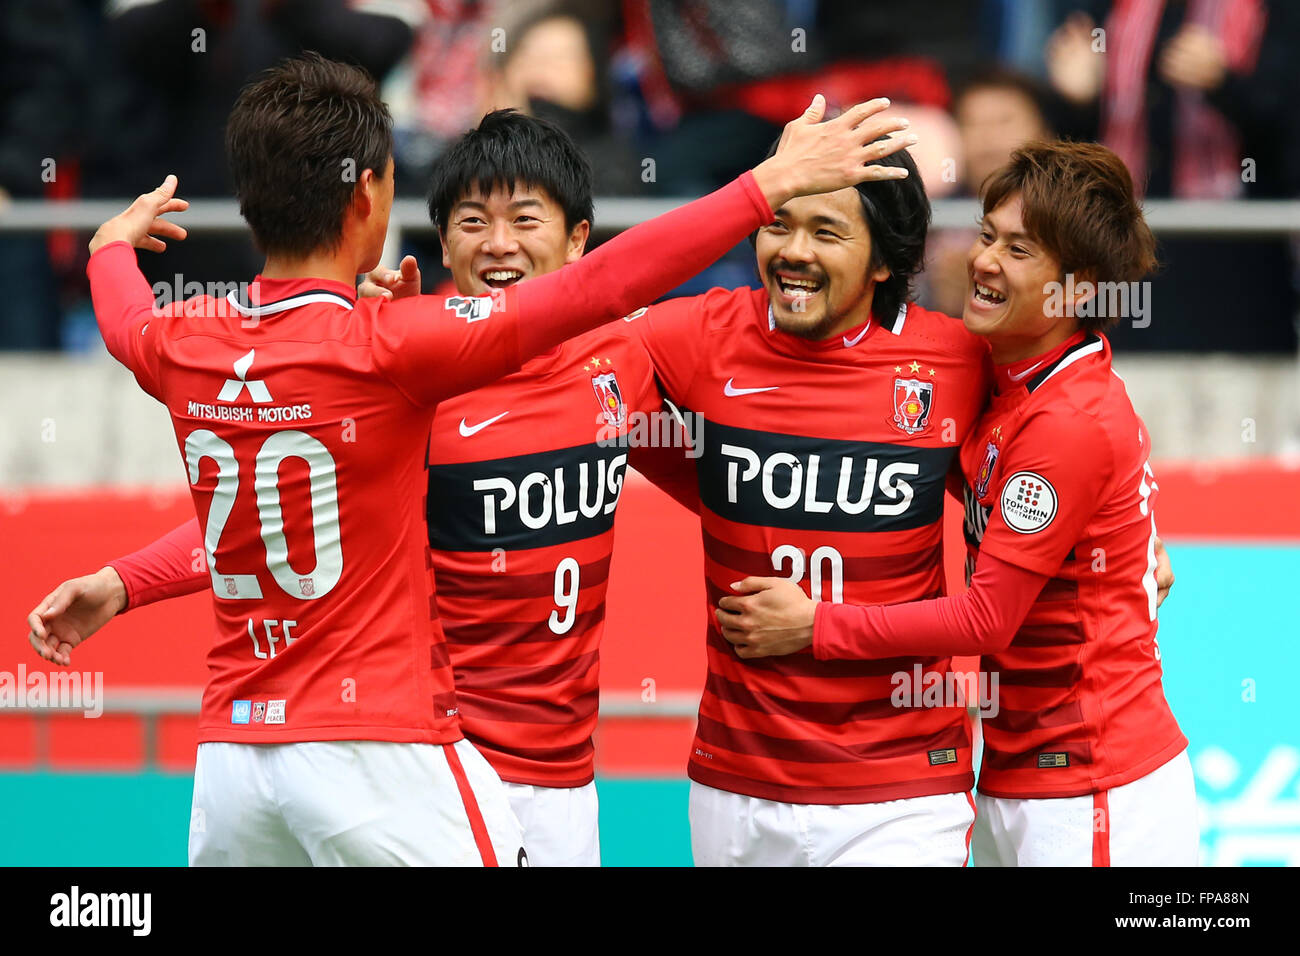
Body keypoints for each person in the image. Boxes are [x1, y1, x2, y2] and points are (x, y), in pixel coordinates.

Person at [31, 47, 915, 866]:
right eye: (471, 221)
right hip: (428, 762)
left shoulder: (629, 358)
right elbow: (302, 508)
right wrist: (762, 184)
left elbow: (244, 450)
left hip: (559, 785)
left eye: (525, 218)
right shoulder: (411, 371)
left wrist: (110, 246)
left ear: (575, 242)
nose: (498, 243)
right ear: (423, 231)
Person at [717, 141, 1195, 866]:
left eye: (1021, 250)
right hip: (1024, 775)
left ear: (1077, 290)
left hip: (1095, 787)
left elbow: (986, 619)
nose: (985, 262)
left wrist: (815, 626)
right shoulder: (1013, 382)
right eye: (986, 235)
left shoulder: (1066, 419)